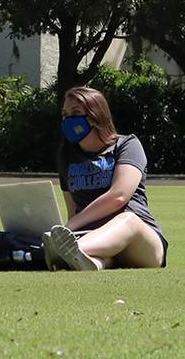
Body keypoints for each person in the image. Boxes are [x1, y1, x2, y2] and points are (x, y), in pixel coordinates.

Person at [42, 85, 168, 271]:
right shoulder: (66, 155)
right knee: (93, 261)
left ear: (95, 115)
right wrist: (72, 227)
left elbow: (119, 196)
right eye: (65, 114)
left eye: (75, 113)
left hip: (141, 241)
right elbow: (73, 211)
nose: (68, 119)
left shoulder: (127, 145)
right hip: (96, 239)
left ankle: (57, 252)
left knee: (128, 220)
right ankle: (79, 257)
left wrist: (69, 228)